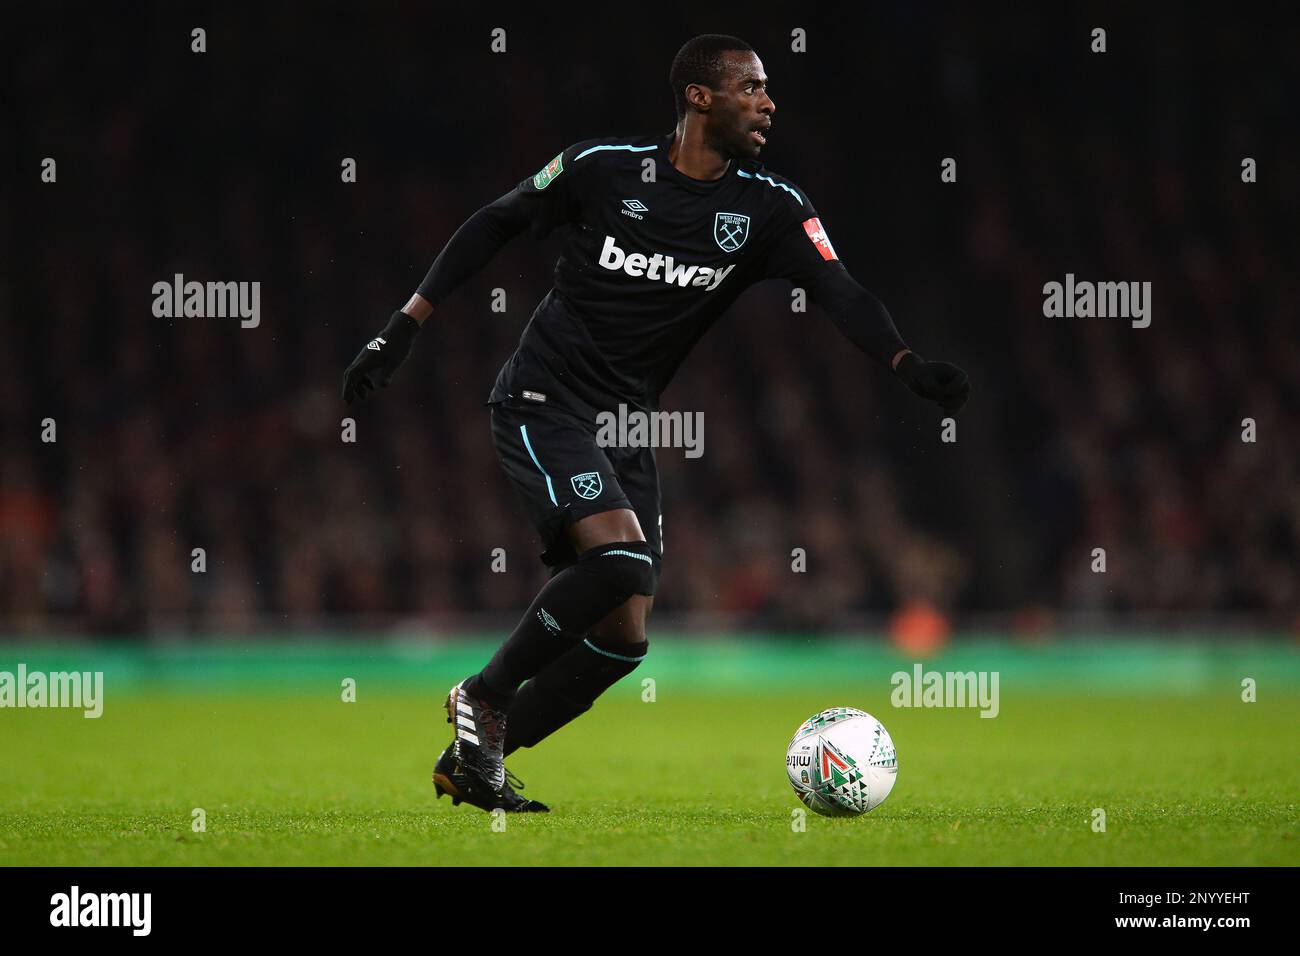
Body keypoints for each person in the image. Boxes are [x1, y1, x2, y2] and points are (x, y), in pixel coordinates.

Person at [342, 34, 970, 812]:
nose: (769, 102)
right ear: (700, 97)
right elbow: (496, 223)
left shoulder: (770, 208)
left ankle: (474, 761)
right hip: (545, 400)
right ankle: (486, 693)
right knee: (621, 564)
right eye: (752, 87)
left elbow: (841, 291)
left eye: (768, 89)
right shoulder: (603, 167)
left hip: (627, 425)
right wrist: (403, 325)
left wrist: (906, 364)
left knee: (623, 637)